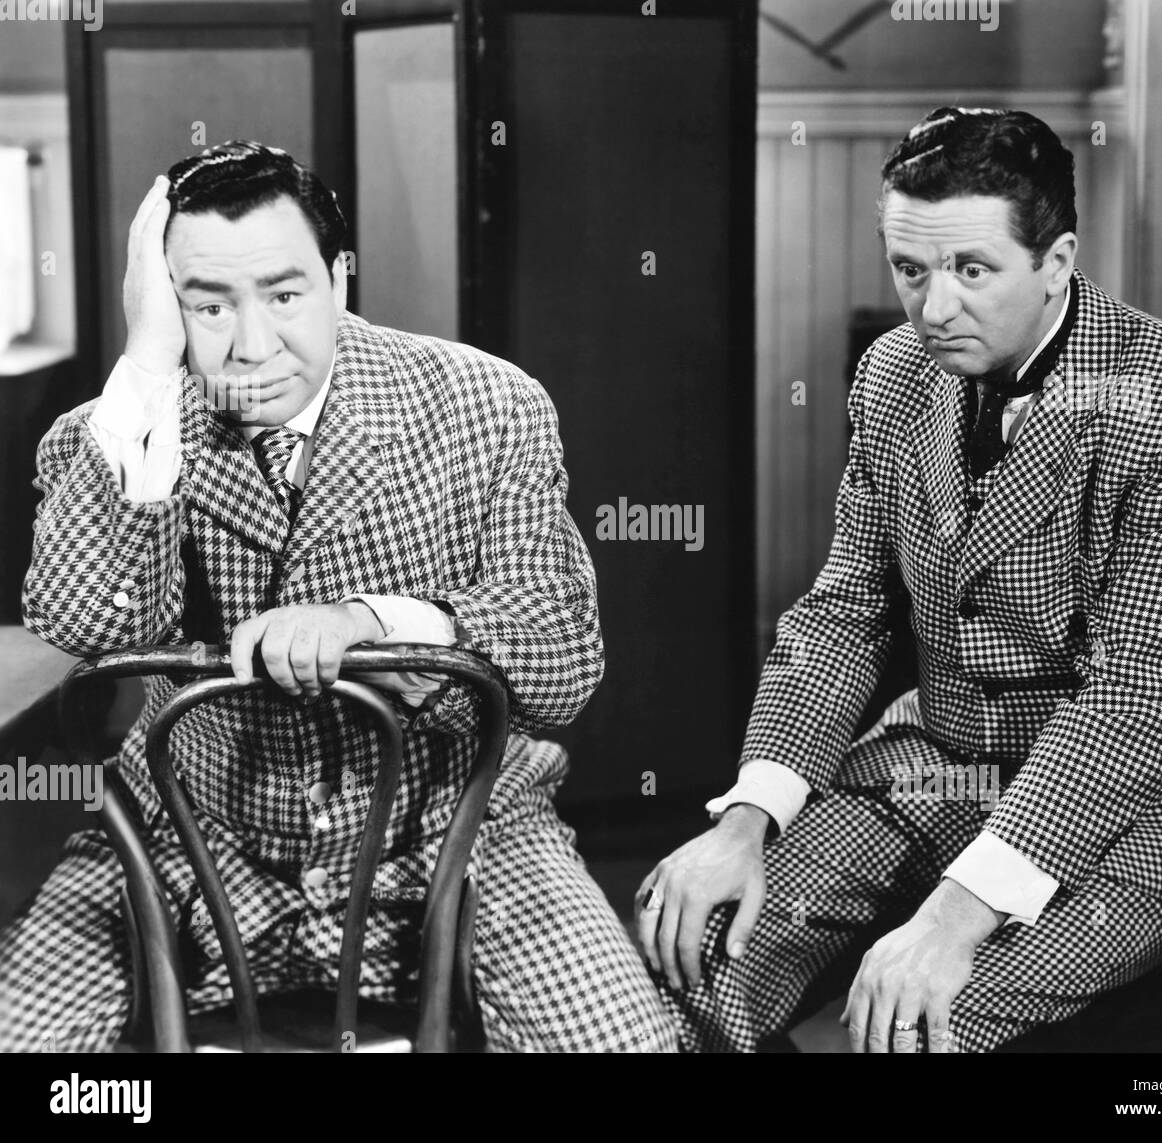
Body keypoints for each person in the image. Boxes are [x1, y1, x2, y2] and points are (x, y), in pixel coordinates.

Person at [1, 140, 676, 1053]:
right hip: (195, 838)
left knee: (624, 1046)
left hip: (460, 831)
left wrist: (376, 624)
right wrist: (150, 365)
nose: (250, 345)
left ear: (341, 277)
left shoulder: (488, 404)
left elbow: (560, 663)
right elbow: (90, 622)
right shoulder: (114, 431)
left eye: (285, 295)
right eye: (207, 304)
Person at [635, 107, 1162, 1053]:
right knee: (687, 955)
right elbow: (844, 612)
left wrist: (952, 916)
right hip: (931, 761)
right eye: (910, 269)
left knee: (919, 1024)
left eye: (971, 270)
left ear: (1057, 260)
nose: (933, 309)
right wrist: (745, 820)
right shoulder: (895, 372)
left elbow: (1142, 697)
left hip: (1158, 801)